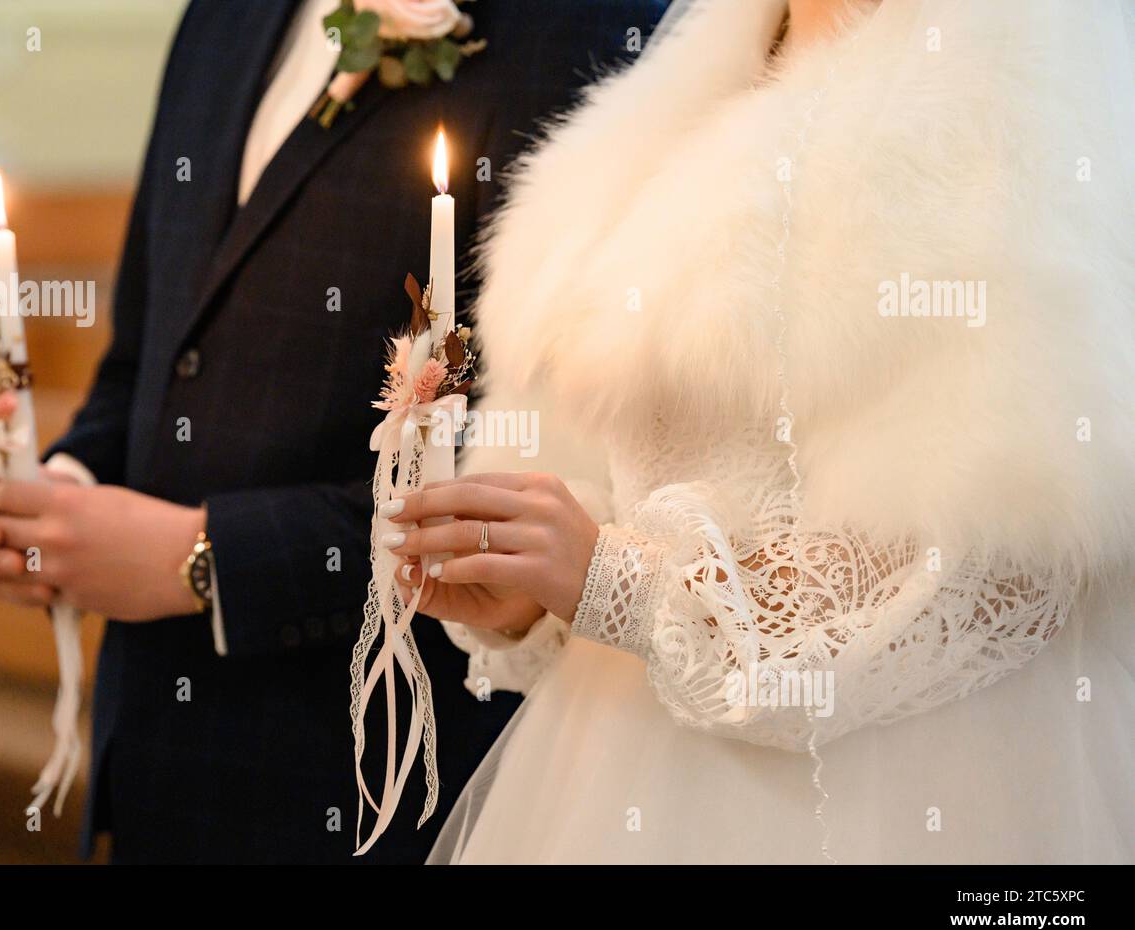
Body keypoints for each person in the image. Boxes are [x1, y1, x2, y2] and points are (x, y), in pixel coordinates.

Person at [388, 0, 1135, 862]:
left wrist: (622, 583)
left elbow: (992, 566)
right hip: (612, 759)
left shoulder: (1022, 59)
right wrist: (535, 584)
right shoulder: (702, 58)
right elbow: (624, 474)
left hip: (893, 786)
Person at [0, 0, 667, 863]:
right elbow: (147, 356)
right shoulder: (221, 19)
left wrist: (207, 558)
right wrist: (55, 492)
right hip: (153, 754)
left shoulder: (586, 29)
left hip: (368, 776)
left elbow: (522, 469)